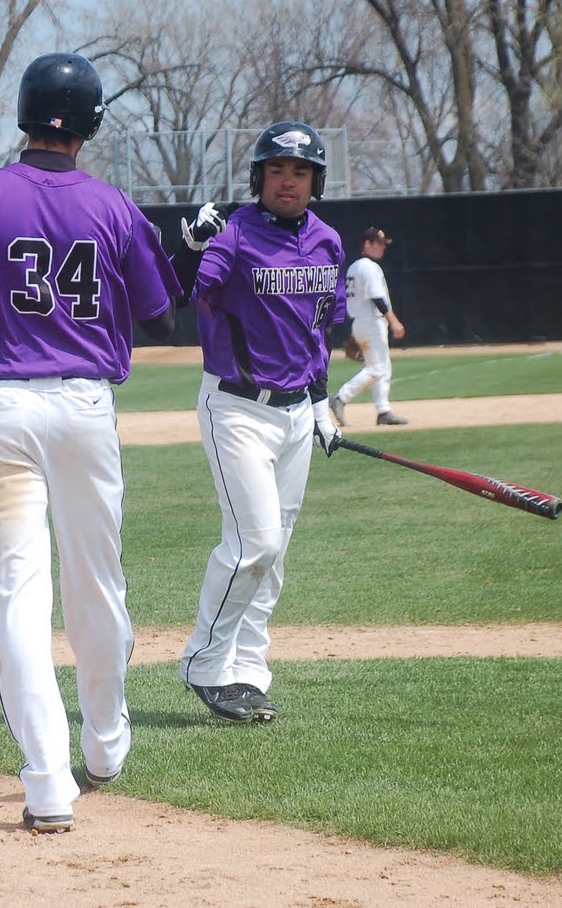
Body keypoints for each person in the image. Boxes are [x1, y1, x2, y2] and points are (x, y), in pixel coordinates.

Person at [0, 52, 180, 834]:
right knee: (97, 585)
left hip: (2, 413)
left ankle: (49, 787)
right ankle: (107, 745)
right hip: (85, 411)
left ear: (24, 114)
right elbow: (163, 321)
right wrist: (172, 246)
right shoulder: (116, 208)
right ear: (90, 124)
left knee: (18, 600)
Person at [169, 121, 346, 723]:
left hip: (297, 412)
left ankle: (248, 670)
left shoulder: (327, 241)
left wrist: (321, 402)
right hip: (237, 408)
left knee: (276, 550)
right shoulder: (235, 234)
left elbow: (318, 329)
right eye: (277, 170)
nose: (288, 181)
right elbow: (180, 294)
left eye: (299, 172)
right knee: (254, 542)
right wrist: (191, 247)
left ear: (315, 181)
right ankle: (205, 665)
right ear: (258, 178)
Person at [331, 226, 408, 427]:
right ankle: (340, 397)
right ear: (367, 244)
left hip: (361, 321)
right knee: (376, 369)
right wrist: (394, 321)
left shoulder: (355, 267)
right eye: (379, 244)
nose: (383, 248)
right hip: (371, 321)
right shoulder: (369, 267)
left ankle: (383, 411)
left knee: (383, 367)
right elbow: (378, 299)